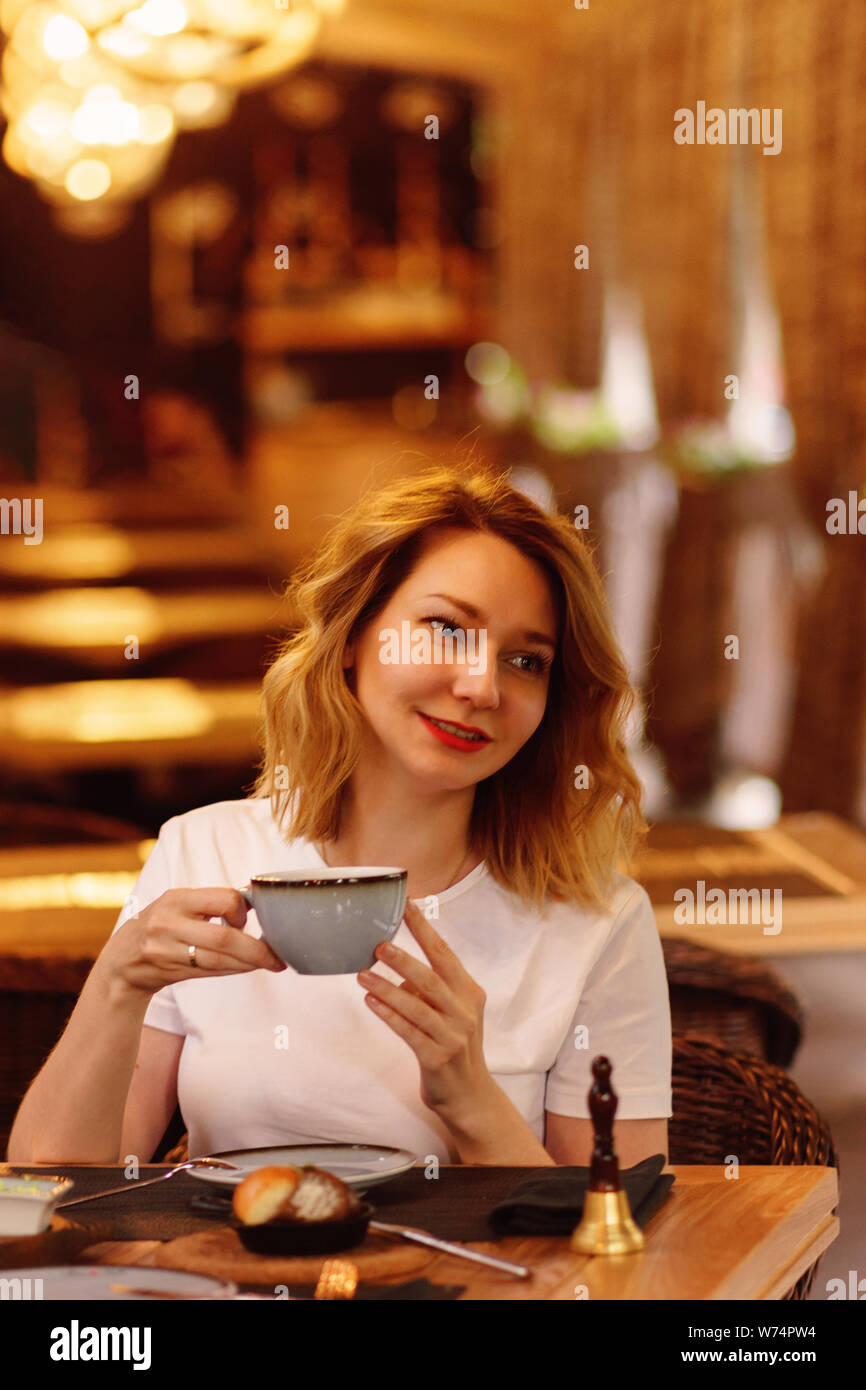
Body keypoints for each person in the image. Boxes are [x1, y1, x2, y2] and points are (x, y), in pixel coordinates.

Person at [9, 463, 672, 1167]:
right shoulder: (202, 853)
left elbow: (616, 1244)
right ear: (355, 635)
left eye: (526, 661)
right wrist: (119, 981)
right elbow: (52, 1188)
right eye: (446, 629)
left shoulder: (596, 920)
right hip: (221, 1275)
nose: (480, 686)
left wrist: (472, 1101)